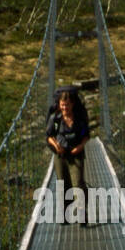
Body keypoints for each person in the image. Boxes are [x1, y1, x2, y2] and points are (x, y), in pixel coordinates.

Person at [46, 86, 90, 224]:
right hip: (61, 155)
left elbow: (86, 135)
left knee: (77, 183)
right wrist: (56, 146)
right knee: (62, 184)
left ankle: (82, 212)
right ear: (59, 105)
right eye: (62, 105)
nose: (64, 108)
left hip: (76, 154)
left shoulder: (79, 119)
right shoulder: (56, 118)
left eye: (67, 105)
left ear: (72, 104)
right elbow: (49, 135)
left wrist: (80, 147)